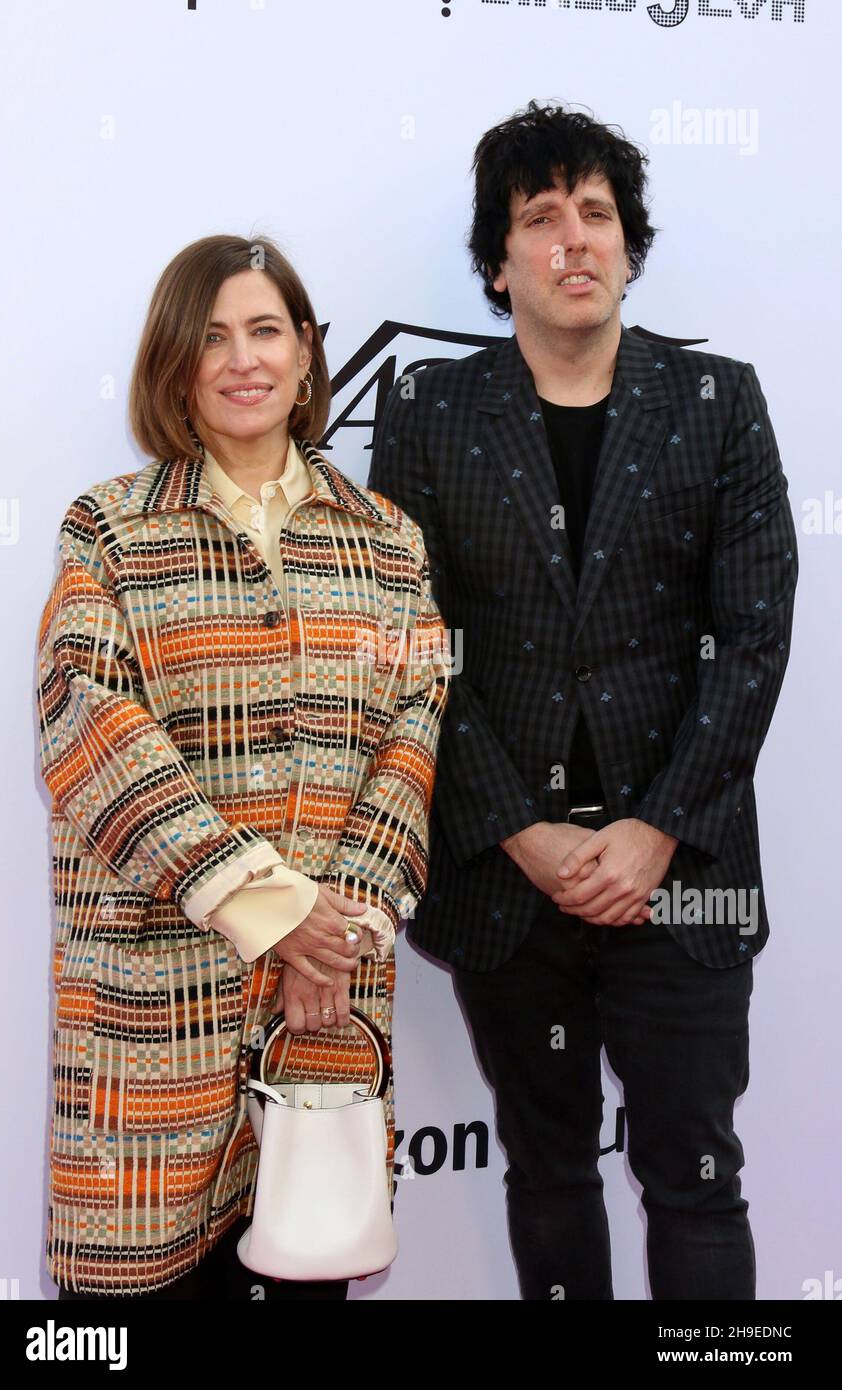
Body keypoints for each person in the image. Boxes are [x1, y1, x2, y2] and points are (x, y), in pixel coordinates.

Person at [367, 101, 798, 1300]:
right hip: (512, 880)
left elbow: (752, 635)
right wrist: (523, 829)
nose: (572, 239)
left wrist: (652, 829)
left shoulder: (717, 400)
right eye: (539, 217)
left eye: (595, 214)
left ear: (628, 244)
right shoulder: (429, 414)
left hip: (683, 871)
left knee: (695, 1177)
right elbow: (412, 645)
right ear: (497, 263)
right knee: (547, 1172)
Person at [37, 234, 449, 1299]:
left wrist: (339, 930)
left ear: (308, 353)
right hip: (150, 1014)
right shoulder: (110, 529)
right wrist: (262, 901)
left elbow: (414, 725)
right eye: (210, 336)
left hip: (319, 1013)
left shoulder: (388, 542)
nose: (241, 358)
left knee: (307, 1277)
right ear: (175, 364)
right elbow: (87, 723)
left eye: (266, 329)